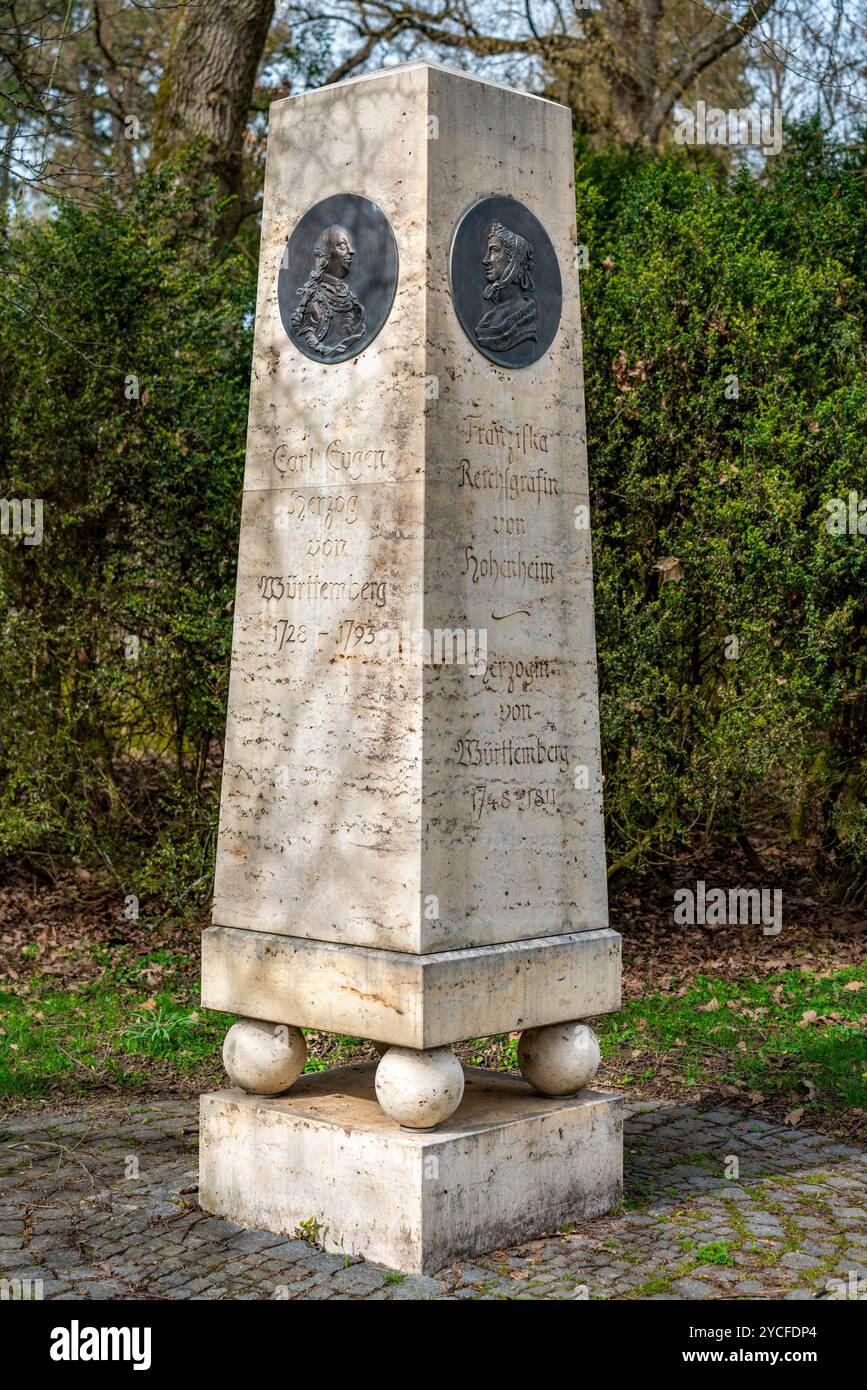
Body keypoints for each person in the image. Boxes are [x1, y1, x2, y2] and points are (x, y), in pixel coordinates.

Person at [291, 224, 366, 357]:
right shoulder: (314, 300)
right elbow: (304, 336)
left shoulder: (350, 299)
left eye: (348, 245)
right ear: (327, 254)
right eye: (342, 246)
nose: (351, 250)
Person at [474, 220, 538, 354]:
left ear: (513, 261)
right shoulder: (490, 317)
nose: (486, 259)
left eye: (494, 251)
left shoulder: (525, 319)